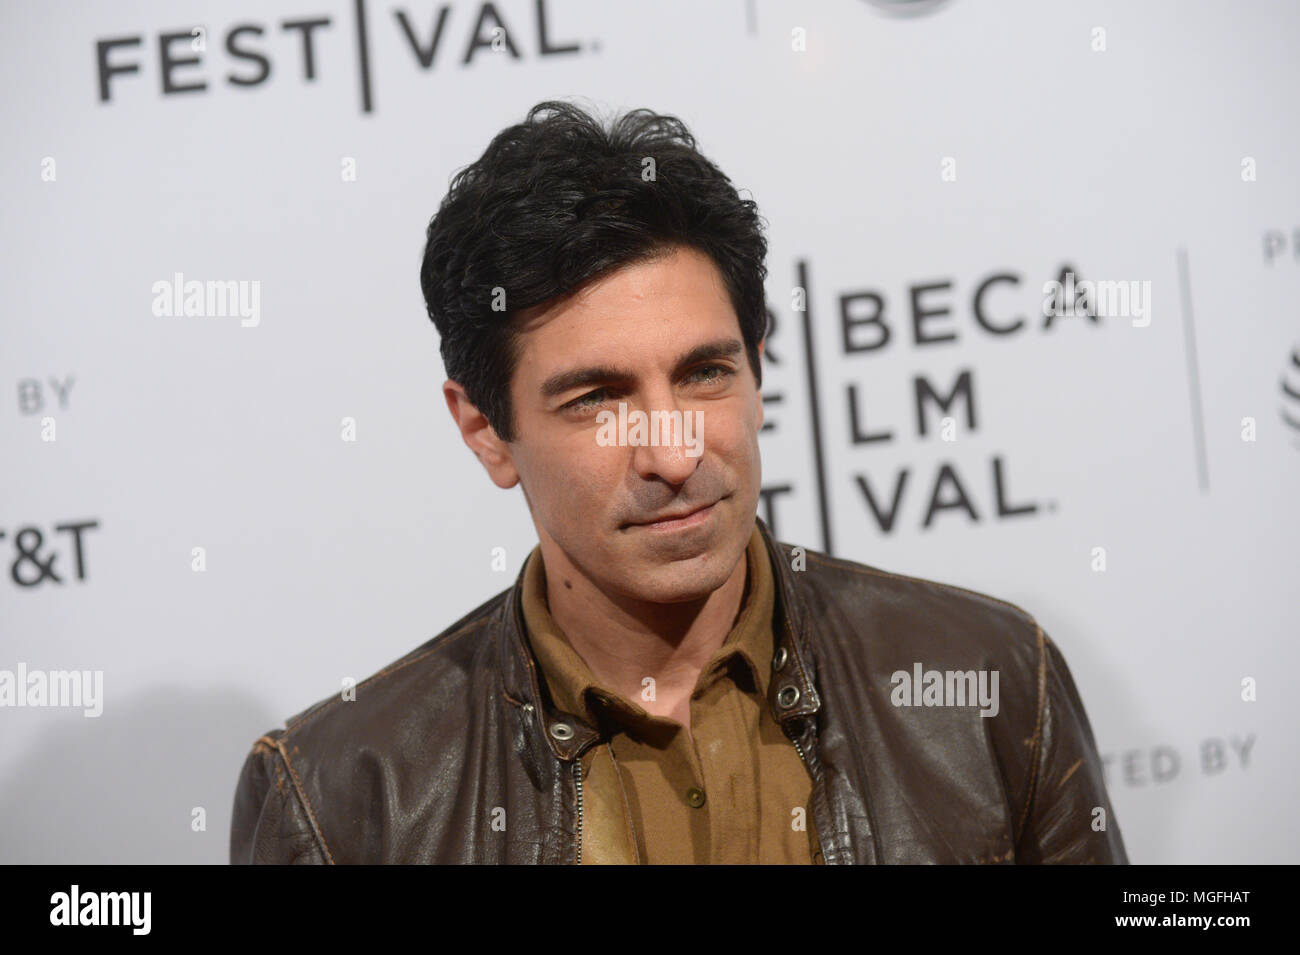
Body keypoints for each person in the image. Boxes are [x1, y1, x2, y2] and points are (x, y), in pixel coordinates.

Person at [230, 100, 1127, 864]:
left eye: (704, 373)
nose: (673, 452)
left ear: (759, 370)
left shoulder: (990, 682)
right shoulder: (342, 803)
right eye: (596, 397)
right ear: (486, 432)